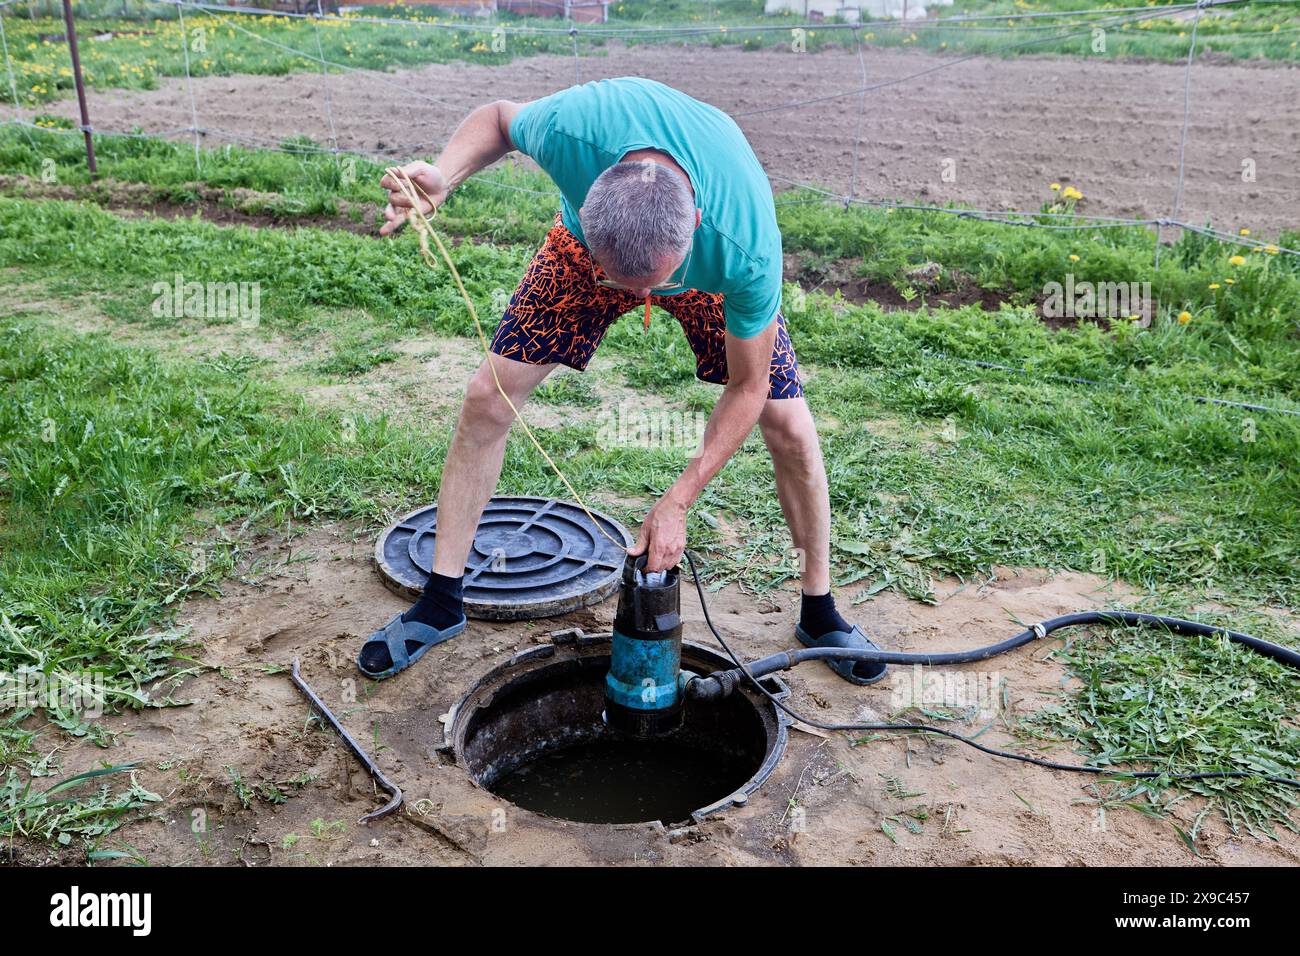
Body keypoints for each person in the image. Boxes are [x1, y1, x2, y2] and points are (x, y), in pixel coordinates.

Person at [357, 77, 886, 686]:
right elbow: (500, 119)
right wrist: (445, 176)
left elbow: (748, 385)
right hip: (586, 257)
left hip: (704, 275)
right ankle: (441, 602)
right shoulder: (572, 131)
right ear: (585, 203)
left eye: (650, 286)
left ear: (695, 219)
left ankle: (820, 612)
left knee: (790, 427)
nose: (639, 302)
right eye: (627, 285)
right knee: (486, 399)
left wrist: (678, 500)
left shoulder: (744, 245)